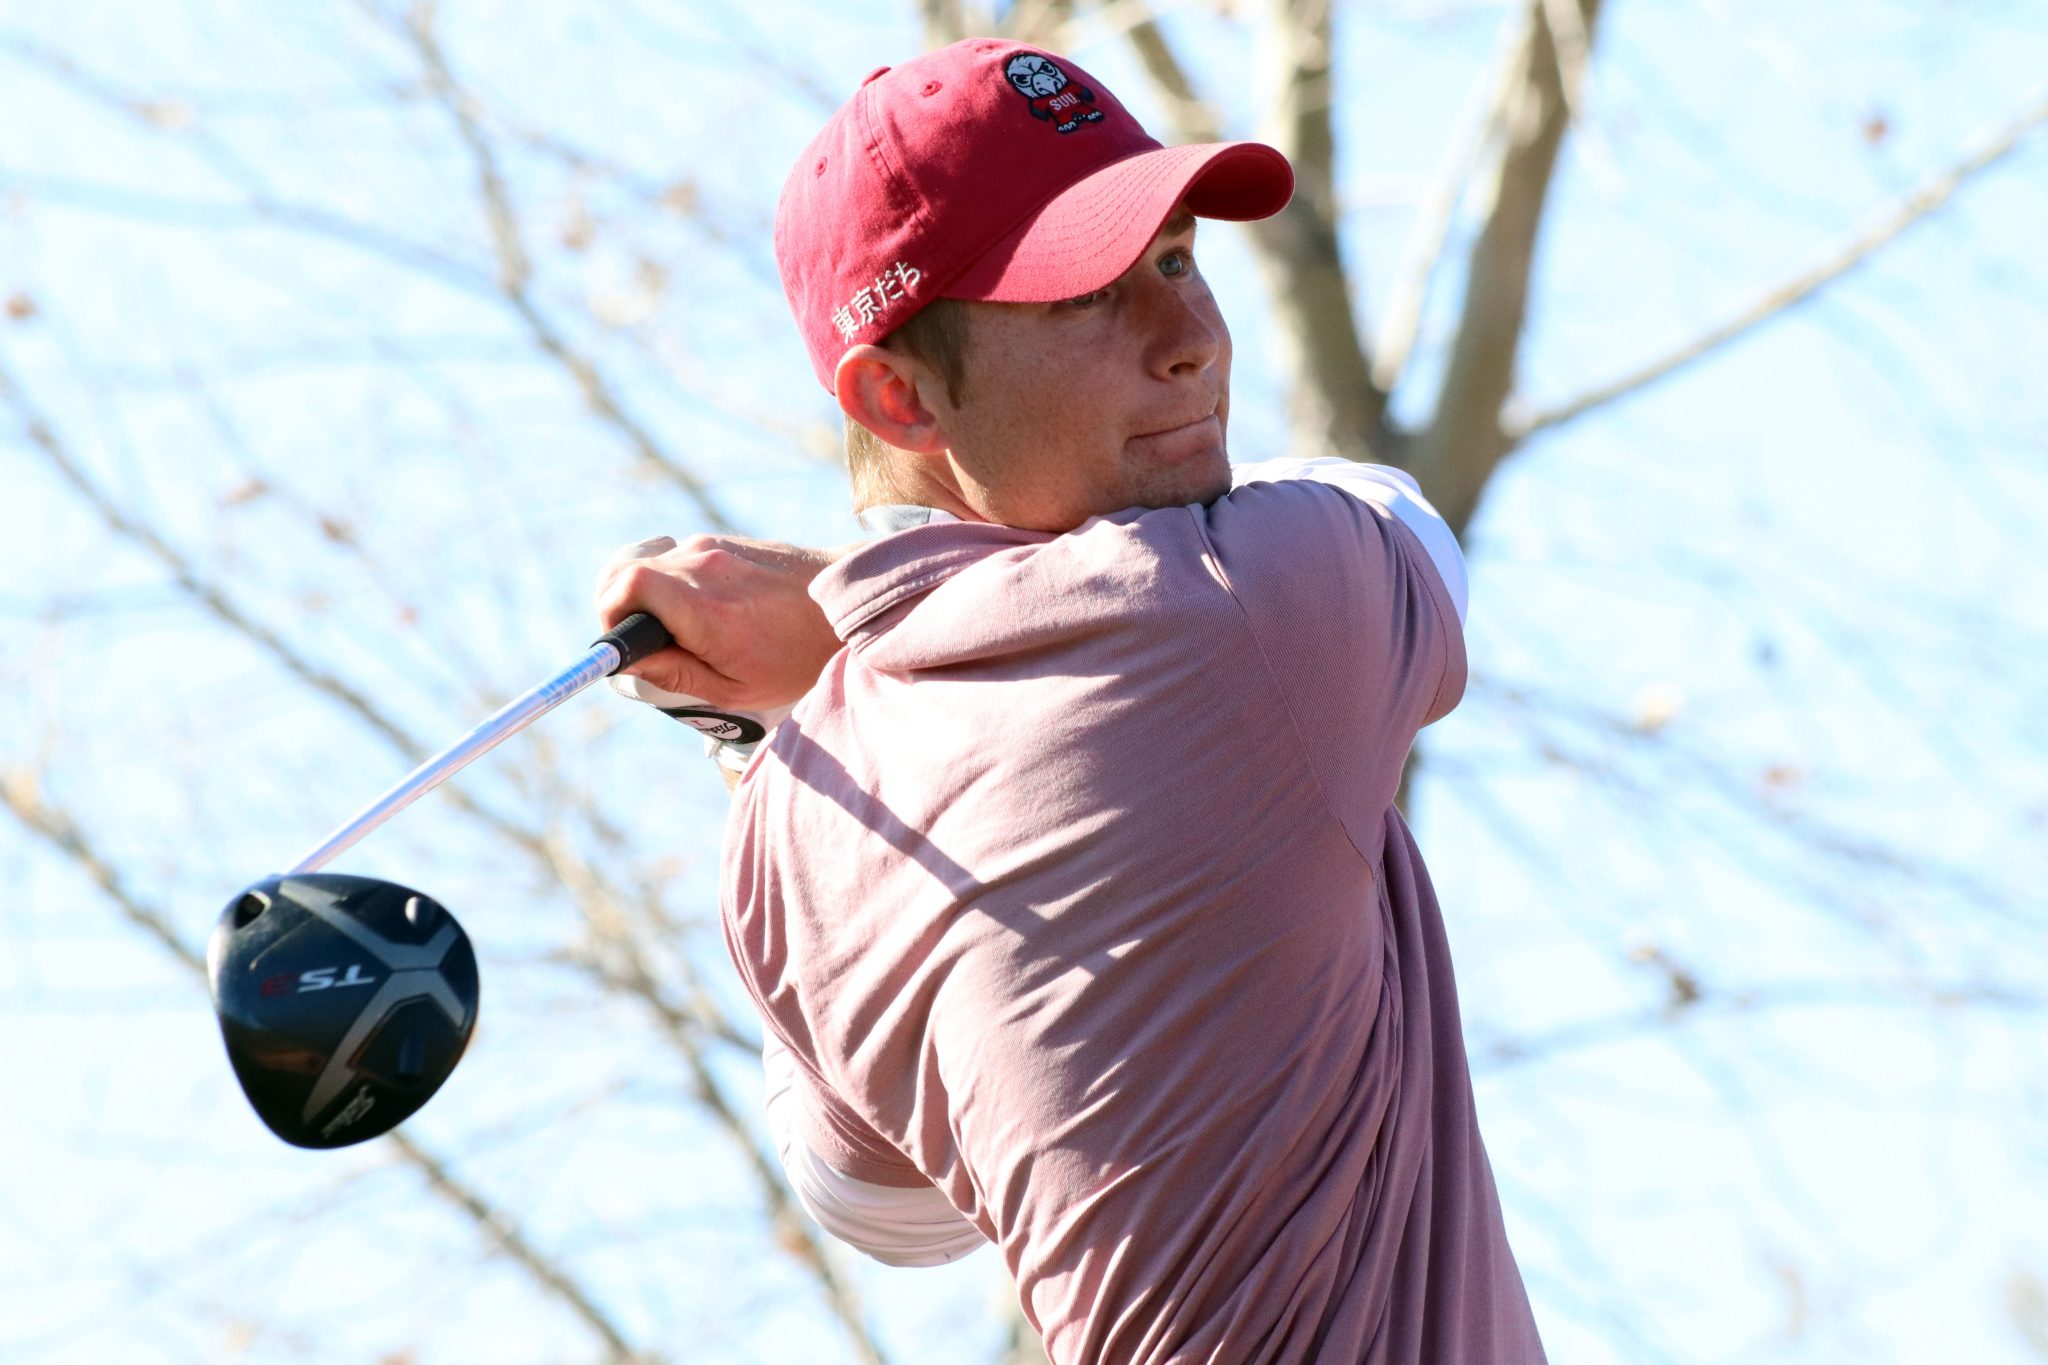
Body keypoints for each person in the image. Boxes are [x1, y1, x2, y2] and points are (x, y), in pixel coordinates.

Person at [595, 38, 1546, 1365]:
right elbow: (1406, 523)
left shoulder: (784, 840)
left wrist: (792, 707)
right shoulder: (1245, 602)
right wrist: (827, 604)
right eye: (1089, 293)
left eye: (1174, 258)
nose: (1193, 338)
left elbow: (886, 1213)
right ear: (897, 393)